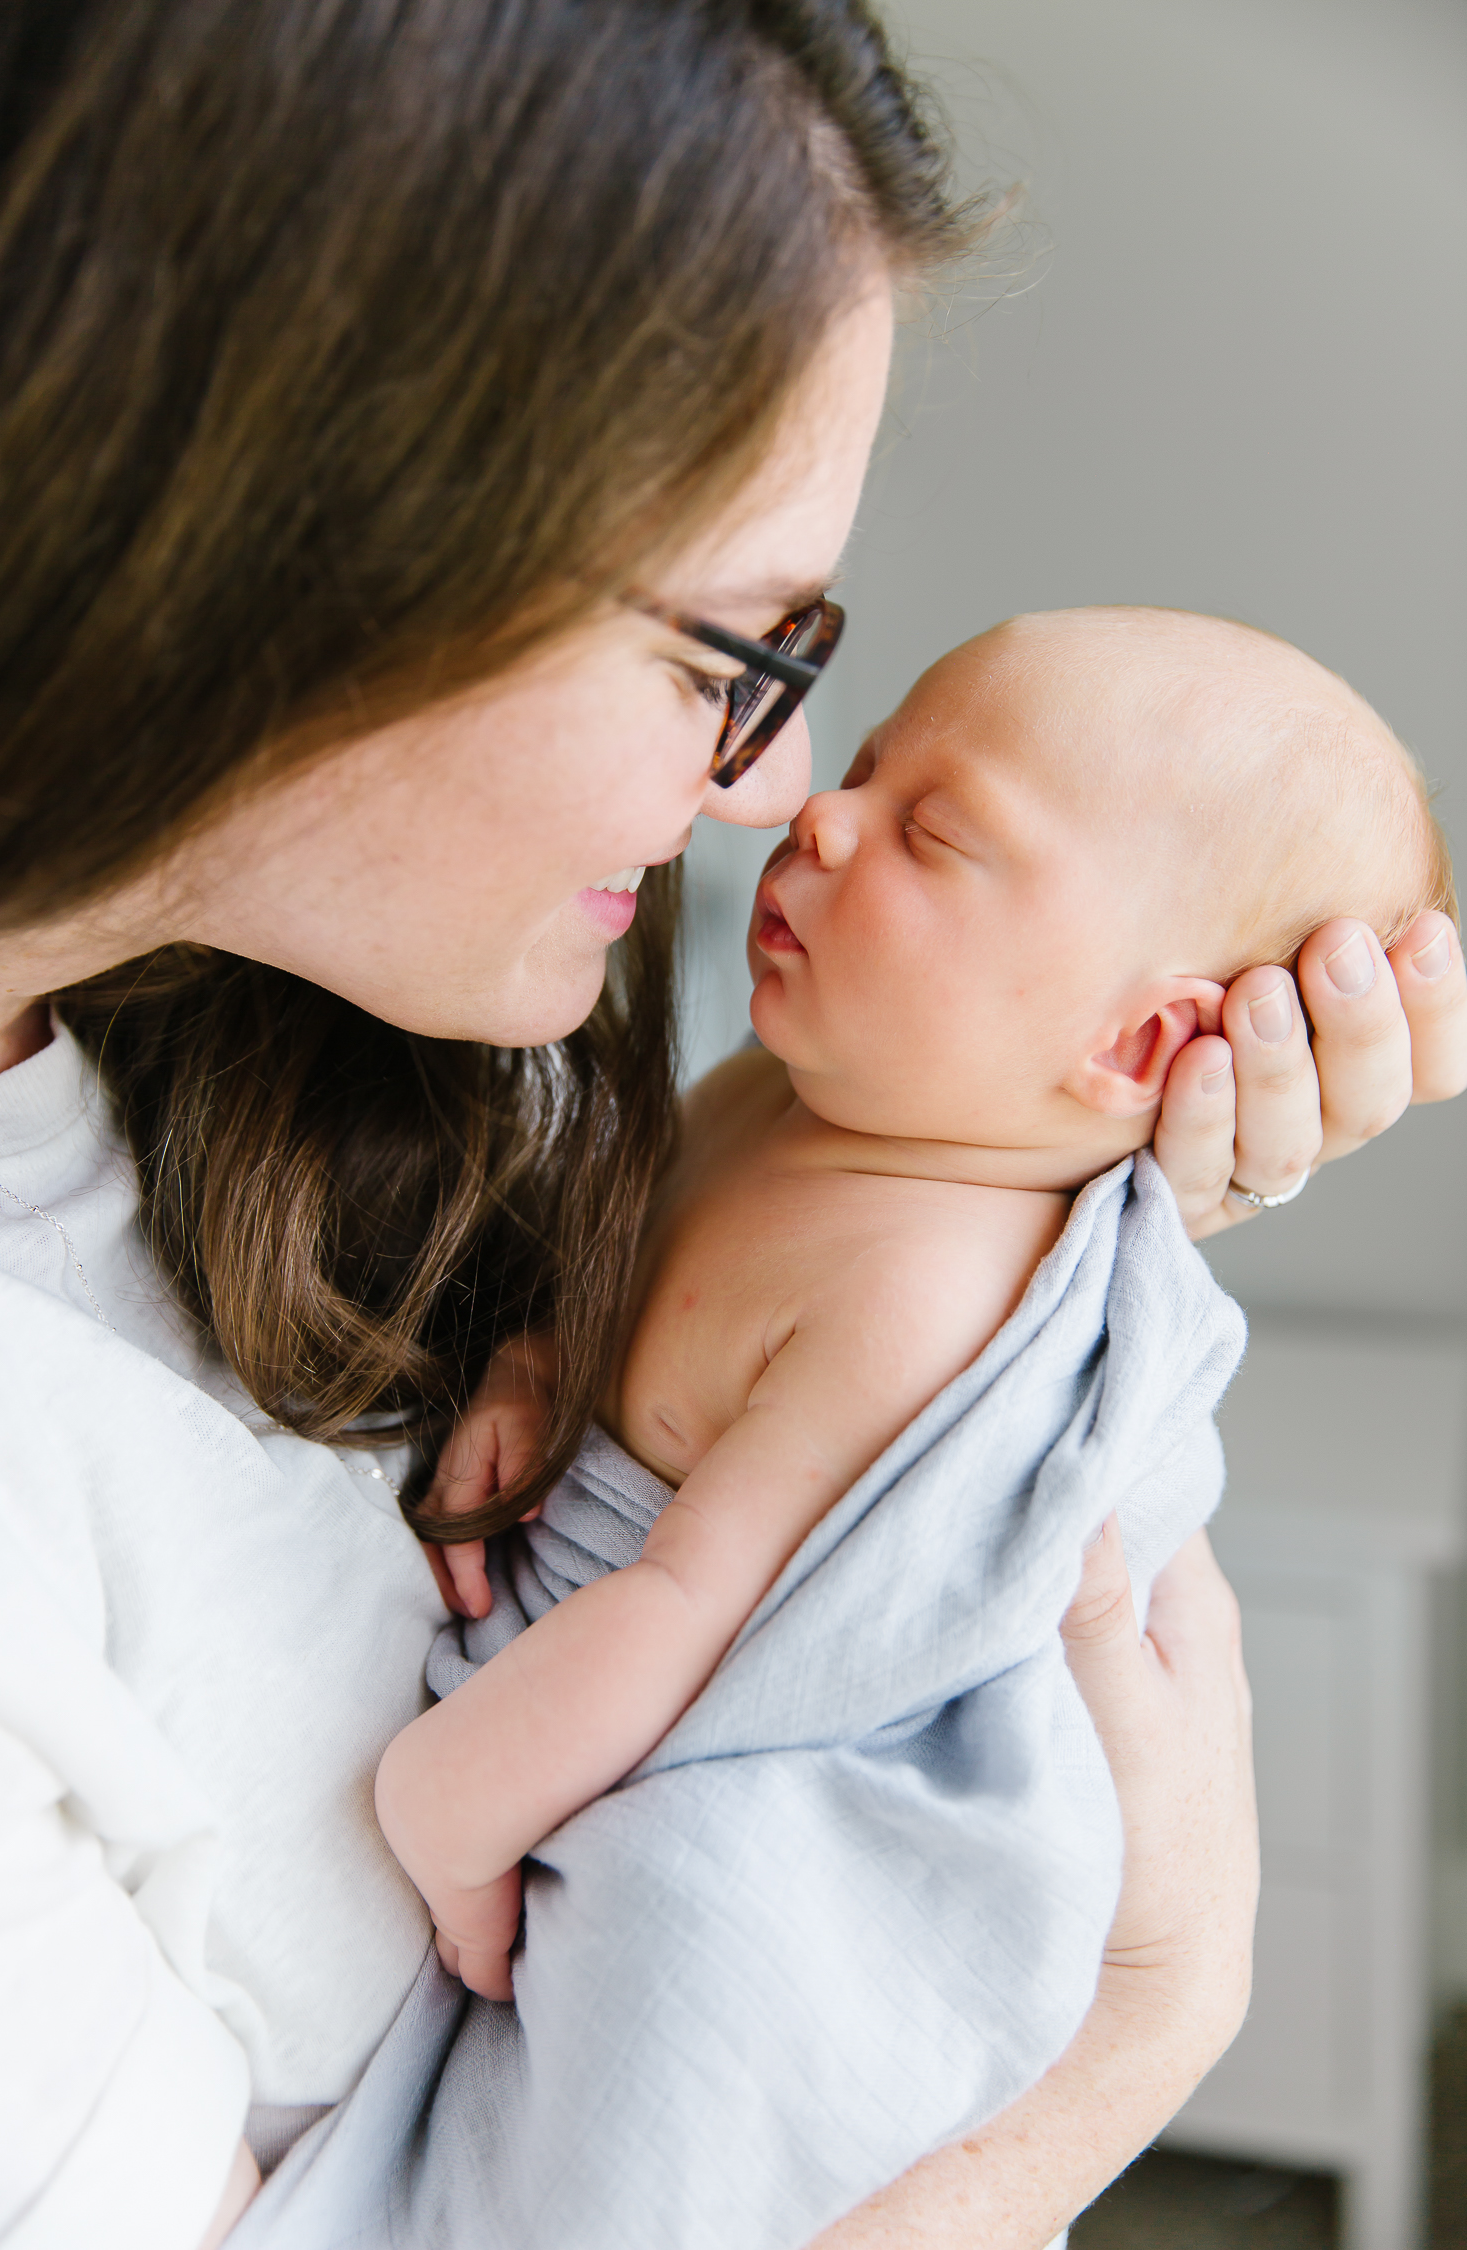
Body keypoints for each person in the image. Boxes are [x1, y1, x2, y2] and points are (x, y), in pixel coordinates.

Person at [0, 9, 1462, 2249]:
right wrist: (1118, 2057)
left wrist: (1082, 1221)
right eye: (729, 655)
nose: (772, 793)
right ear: (291, 529)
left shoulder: (271, 1057)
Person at [375, 605, 1452, 2003]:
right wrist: (536, 1363)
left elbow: (689, 1607)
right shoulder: (790, 1086)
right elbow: (621, 1280)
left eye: (933, 835)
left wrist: (445, 1818)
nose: (822, 815)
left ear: (1140, 1043)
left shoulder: (926, 1295)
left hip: (617, 1806)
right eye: (870, 767)